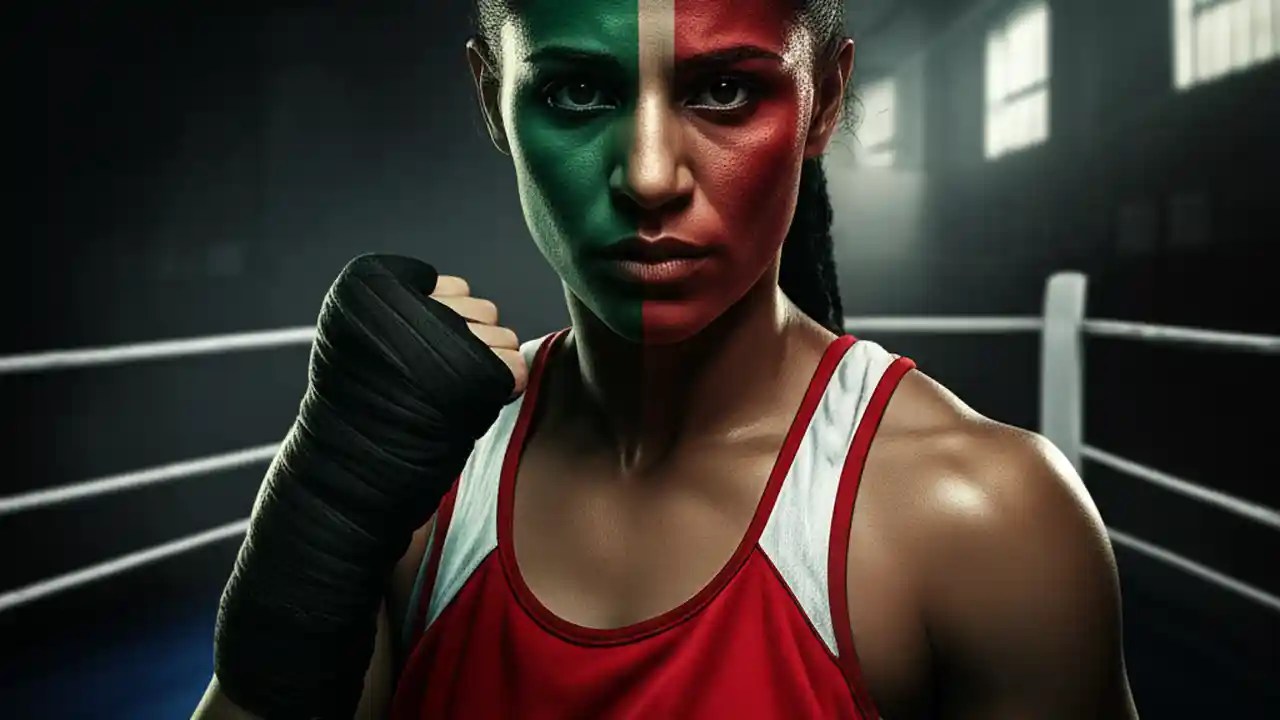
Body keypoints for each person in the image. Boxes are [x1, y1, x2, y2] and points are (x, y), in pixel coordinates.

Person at [195, 0, 1140, 718]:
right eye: (575, 91)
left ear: (825, 104)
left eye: (725, 89)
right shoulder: (415, 487)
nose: (649, 175)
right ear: (494, 100)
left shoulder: (981, 517)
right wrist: (319, 518)